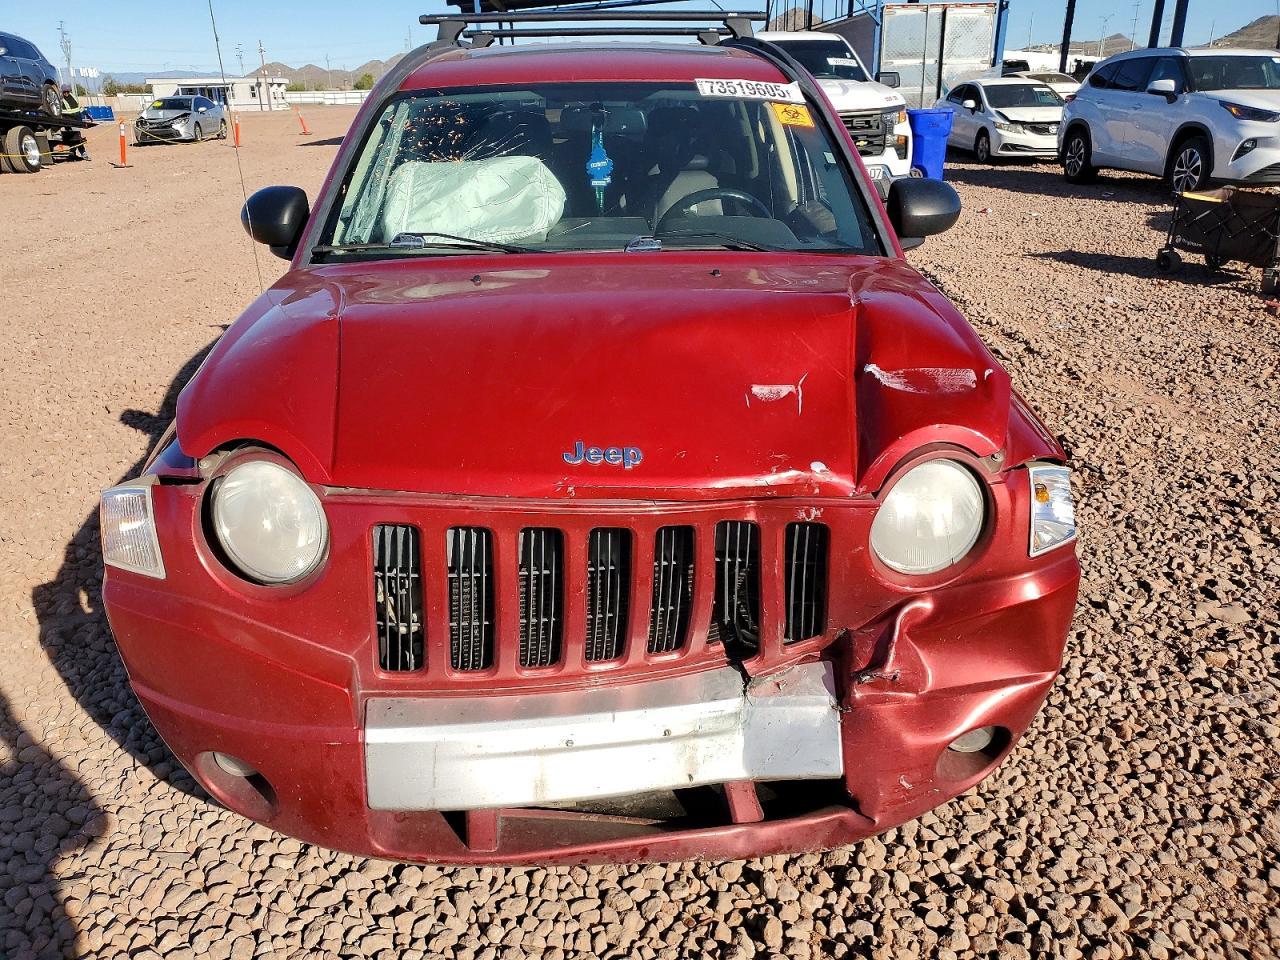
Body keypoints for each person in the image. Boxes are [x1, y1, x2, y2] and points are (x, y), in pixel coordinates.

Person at [59, 84, 90, 160]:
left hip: (77, 120)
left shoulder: (74, 97)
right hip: (68, 121)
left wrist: (86, 114)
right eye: (64, 92)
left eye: (67, 91)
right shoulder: (60, 100)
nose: (66, 93)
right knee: (75, 137)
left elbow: (79, 107)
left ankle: (74, 152)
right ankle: (80, 152)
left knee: (76, 137)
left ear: (69, 91)